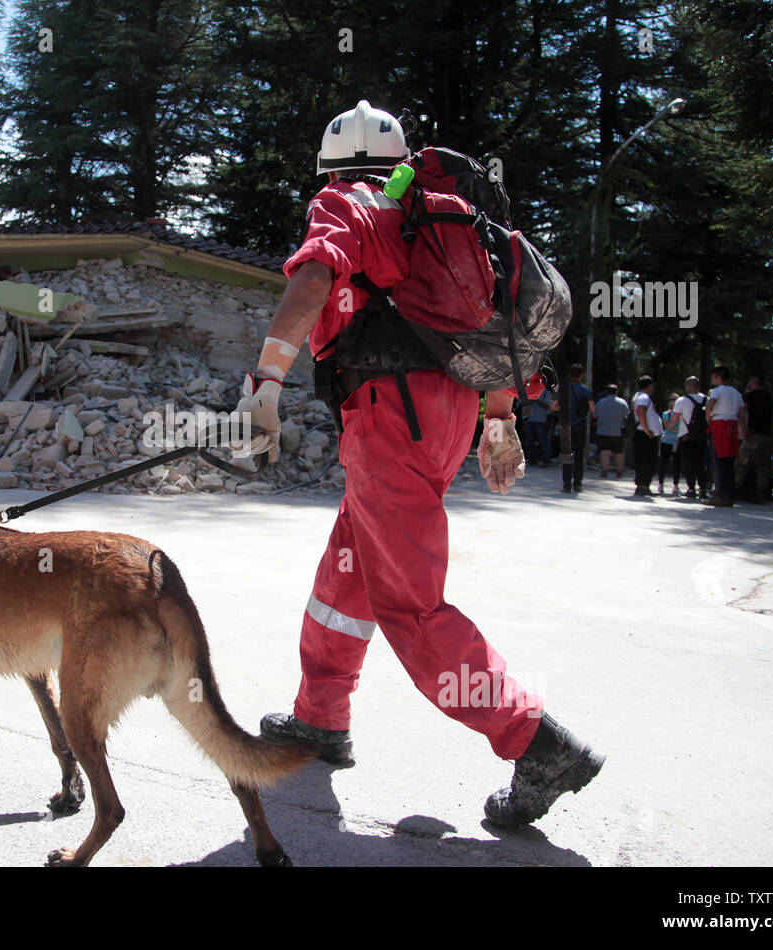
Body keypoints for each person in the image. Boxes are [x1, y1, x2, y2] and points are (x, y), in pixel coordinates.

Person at [230, 99, 603, 828]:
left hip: (387, 415)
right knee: (350, 565)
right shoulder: (443, 219)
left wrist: (265, 384)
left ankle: (532, 738)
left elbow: (311, 282)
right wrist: (500, 420)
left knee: (410, 603)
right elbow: (479, 326)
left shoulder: (347, 203)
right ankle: (320, 718)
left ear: (332, 165)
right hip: (446, 415)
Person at [705, 365, 744, 507]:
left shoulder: (717, 391)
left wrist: (709, 418)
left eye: (714, 377)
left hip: (720, 425)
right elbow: (741, 414)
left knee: (718, 460)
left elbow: (710, 405)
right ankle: (730, 494)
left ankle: (720, 494)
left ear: (719, 377)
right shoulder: (737, 393)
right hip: (732, 427)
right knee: (729, 462)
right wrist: (743, 432)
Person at [736, 375, 773, 503]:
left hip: (754, 434)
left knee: (742, 463)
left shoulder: (750, 396)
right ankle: (760, 494)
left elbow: (741, 413)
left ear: (753, 384)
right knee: (763, 466)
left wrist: (744, 431)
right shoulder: (770, 396)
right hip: (768, 435)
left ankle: (735, 490)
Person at [560, 364, 594, 493]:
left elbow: (554, 407)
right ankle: (578, 484)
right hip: (580, 425)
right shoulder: (586, 390)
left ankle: (566, 484)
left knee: (566, 455)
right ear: (581, 375)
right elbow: (592, 409)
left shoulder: (564, 389)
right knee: (579, 456)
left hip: (566, 425)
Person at [673, 376, 707, 498]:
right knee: (701, 463)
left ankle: (691, 489)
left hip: (686, 434)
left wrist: (671, 427)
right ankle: (703, 489)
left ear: (687, 386)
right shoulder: (706, 399)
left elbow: (675, 418)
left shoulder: (681, 400)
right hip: (702, 435)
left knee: (688, 463)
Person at [631, 375, 663, 497]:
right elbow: (640, 411)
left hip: (643, 434)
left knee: (644, 460)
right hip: (645, 435)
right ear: (649, 386)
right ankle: (643, 486)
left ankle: (643, 486)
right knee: (647, 460)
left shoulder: (638, 396)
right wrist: (647, 430)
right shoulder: (643, 397)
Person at [593, 384, 630, 478]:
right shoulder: (622, 403)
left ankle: (605, 471)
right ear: (617, 391)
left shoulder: (601, 402)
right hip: (617, 431)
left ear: (606, 391)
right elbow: (627, 416)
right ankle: (619, 471)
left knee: (604, 451)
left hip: (603, 431)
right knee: (618, 452)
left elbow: (595, 415)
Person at [658, 391, 682, 495]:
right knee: (663, 462)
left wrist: (676, 427)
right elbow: (668, 427)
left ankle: (676, 485)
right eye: (671, 400)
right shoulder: (666, 413)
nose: (673, 402)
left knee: (677, 463)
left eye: (675, 400)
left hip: (677, 441)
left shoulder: (682, 414)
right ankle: (660, 484)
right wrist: (676, 425)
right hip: (666, 440)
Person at [523, 386, 553, 466]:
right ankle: (533, 460)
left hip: (542, 420)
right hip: (530, 419)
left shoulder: (546, 392)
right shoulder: (530, 391)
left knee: (543, 441)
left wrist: (536, 399)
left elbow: (548, 406)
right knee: (529, 441)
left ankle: (546, 460)